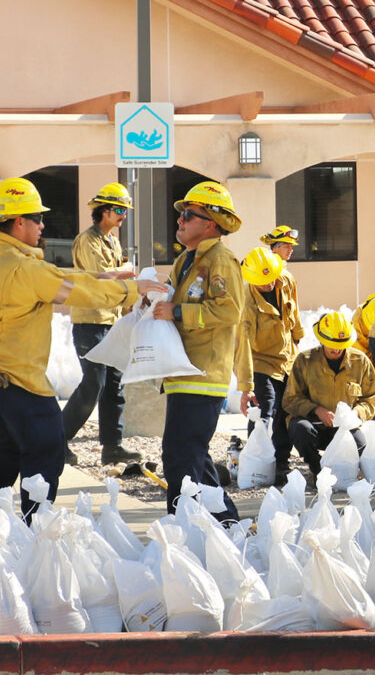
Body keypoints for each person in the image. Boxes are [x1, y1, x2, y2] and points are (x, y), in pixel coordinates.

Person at [0, 178, 160, 539]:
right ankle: (36, 534)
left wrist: (106, 276)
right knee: (47, 451)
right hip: (15, 378)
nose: (42, 225)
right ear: (18, 221)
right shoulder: (25, 268)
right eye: (37, 218)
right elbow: (75, 290)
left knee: (9, 449)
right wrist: (133, 288)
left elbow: (60, 277)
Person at [151, 180, 249, 517]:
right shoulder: (186, 261)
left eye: (188, 215)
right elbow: (170, 299)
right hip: (183, 371)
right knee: (190, 455)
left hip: (203, 373)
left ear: (210, 223)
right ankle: (225, 523)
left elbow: (230, 310)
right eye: (180, 215)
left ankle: (187, 528)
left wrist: (177, 311)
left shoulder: (220, 259)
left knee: (181, 455)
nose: (179, 221)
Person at [60, 183, 140, 467]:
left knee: (114, 386)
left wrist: (127, 284)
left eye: (124, 211)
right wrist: (127, 273)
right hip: (90, 322)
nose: (123, 216)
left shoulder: (112, 241)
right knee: (93, 383)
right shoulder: (88, 240)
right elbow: (101, 277)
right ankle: (57, 440)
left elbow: (117, 277)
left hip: (112, 320)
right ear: (103, 211)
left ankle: (112, 446)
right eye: (119, 210)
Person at [282, 310, 375, 490]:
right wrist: (316, 410)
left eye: (341, 345)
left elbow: (371, 398)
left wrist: (355, 414)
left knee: (360, 442)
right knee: (299, 429)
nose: (336, 349)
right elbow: (290, 400)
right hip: (315, 428)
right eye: (331, 345)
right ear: (321, 340)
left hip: (345, 429)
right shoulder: (305, 361)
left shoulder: (361, 362)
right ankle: (317, 470)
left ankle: (345, 472)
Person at [237, 244, 300, 482]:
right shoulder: (247, 304)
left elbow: (295, 317)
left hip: (286, 358)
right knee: (265, 408)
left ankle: (281, 463)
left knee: (286, 410)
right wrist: (246, 385)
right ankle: (257, 462)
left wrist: (298, 342)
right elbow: (241, 347)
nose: (269, 285)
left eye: (272, 279)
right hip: (259, 359)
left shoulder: (285, 279)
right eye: (263, 282)